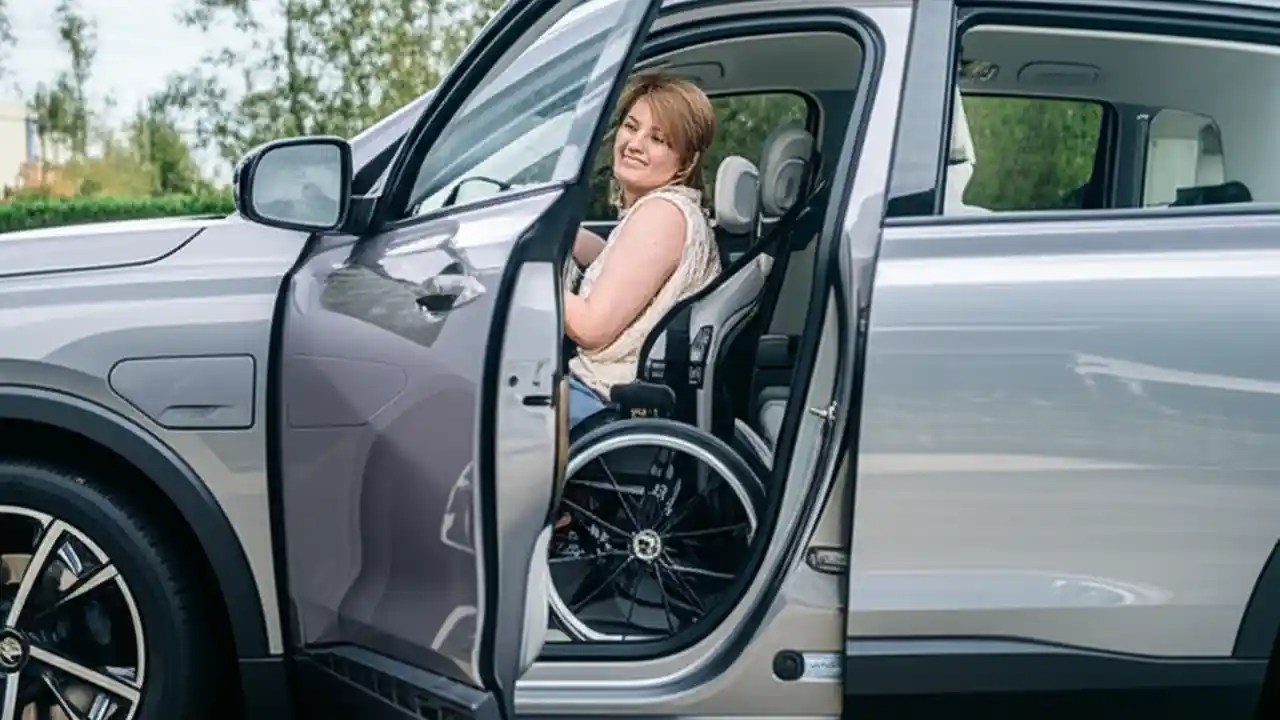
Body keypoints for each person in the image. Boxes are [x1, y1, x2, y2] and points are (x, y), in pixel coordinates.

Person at [562, 71, 722, 431]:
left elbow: (590, 328)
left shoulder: (662, 215)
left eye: (658, 139)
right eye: (631, 127)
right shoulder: (669, 211)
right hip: (605, 395)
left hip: (602, 403)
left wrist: (522, 278)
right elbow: (620, 261)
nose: (634, 143)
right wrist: (559, 235)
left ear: (686, 162)